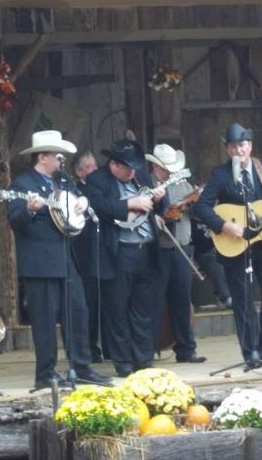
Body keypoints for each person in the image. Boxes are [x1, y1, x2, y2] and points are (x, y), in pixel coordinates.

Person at [6, 130, 111, 388]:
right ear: (43, 157)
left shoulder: (63, 181)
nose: (62, 160)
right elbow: (15, 220)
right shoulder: (21, 185)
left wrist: (83, 202)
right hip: (40, 262)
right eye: (58, 156)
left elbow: (79, 200)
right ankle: (46, 374)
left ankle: (82, 367)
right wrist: (30, 210)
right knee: (44, 320)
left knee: (78, 312)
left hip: (65, 258)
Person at [193, 123, 262, 367]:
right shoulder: (220, 174)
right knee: (242, 298)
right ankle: (250, 351)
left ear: (250, 146)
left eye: (241, 145)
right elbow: (200, 207)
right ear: (227, 150)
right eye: (232, 147)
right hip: (235, 243)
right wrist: (223, 226)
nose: (237, 151)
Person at [85, 138, 165, 377]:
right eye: (127, 168)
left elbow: (155, 212)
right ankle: (124, 363)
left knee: (143, 310)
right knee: (117, 310)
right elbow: (98, 207)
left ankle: (144, 360)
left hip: (145, 249)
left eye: (134, 167)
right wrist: (131, 202)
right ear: (114, 164)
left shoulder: (142, 177)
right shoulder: (97, 179)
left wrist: (158, 200)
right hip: (119, 252)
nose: (132, 172)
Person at [145, 144, 206, 363]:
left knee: (182, 299)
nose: (169, 172)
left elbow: (198, 215)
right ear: (154, 166)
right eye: (164, 168)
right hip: (159, 249)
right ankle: (148, 352)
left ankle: (186, 349)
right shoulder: (146, 185)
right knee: (155, 301)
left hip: (181, 246)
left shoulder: (182, 183)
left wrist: (196, 200)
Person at [71, 150, 105, 363]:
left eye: (95, 165)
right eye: (91, 167)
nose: (96, 170)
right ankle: (90, 348)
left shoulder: (99, 187)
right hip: (85, 253)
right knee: (89, 304)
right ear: (80, 172)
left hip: (103, 251)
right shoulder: (76, 191)